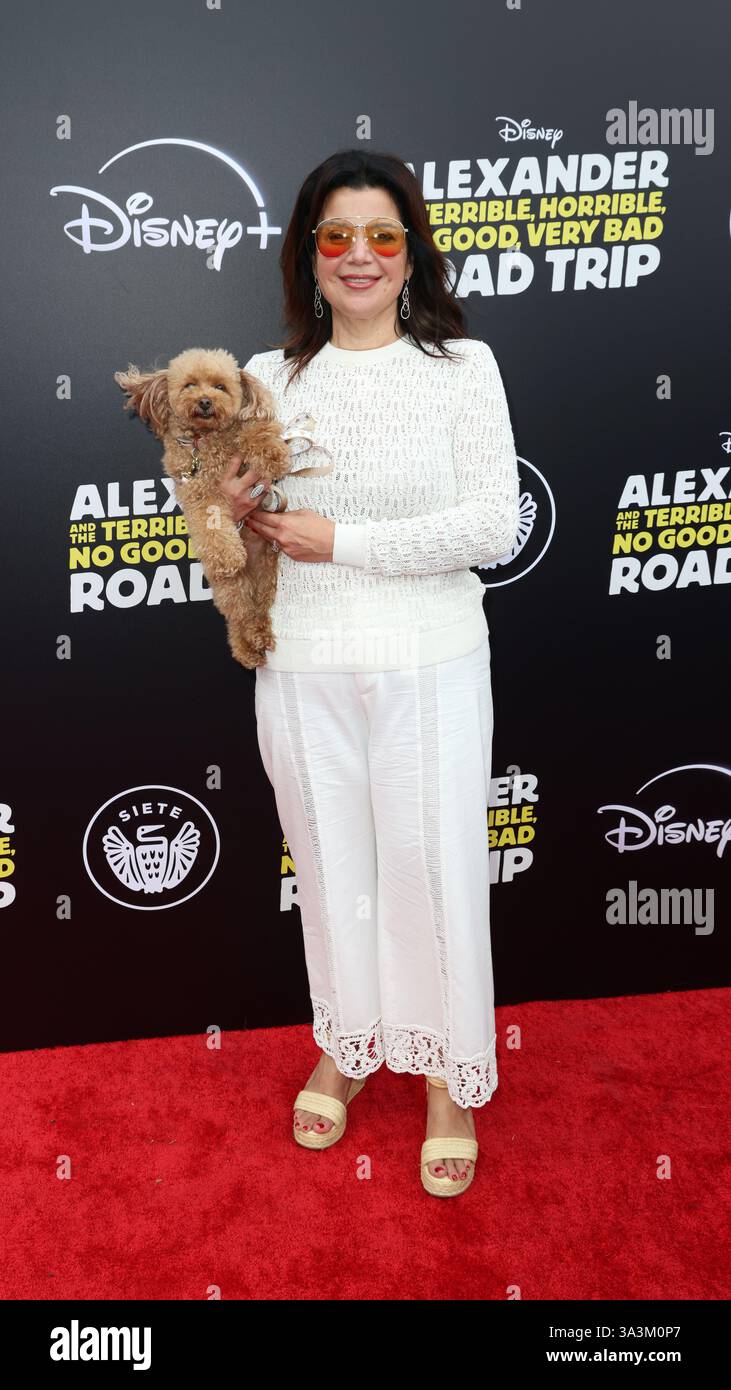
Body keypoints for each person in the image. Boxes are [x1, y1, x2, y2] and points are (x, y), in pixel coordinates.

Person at [222, 149, 520, 1197]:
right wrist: (232, 507)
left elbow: (495, 522)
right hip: (300, 668)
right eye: (336, 236)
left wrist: (337, 538)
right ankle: (347, 1041)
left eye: (381, 236)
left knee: (432, 869)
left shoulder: (461, 369)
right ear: (309, 254)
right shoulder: (268, 374)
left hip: (428, 664)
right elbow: (236, 535)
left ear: (410, 253)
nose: (358, 256)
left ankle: (446, 1079)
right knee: (330, 873)